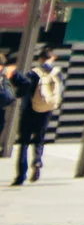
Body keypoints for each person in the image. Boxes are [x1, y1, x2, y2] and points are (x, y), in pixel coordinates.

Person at [13, 50, 64, 184]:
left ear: (40, 59)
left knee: (24, 142)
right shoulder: (57, 74)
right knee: (39, 139)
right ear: (51, 59)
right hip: (46, 111)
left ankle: (21, 176)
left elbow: (22, 91)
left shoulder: (33, 73)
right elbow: (59, 92)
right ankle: (37, 161)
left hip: (29, 111)